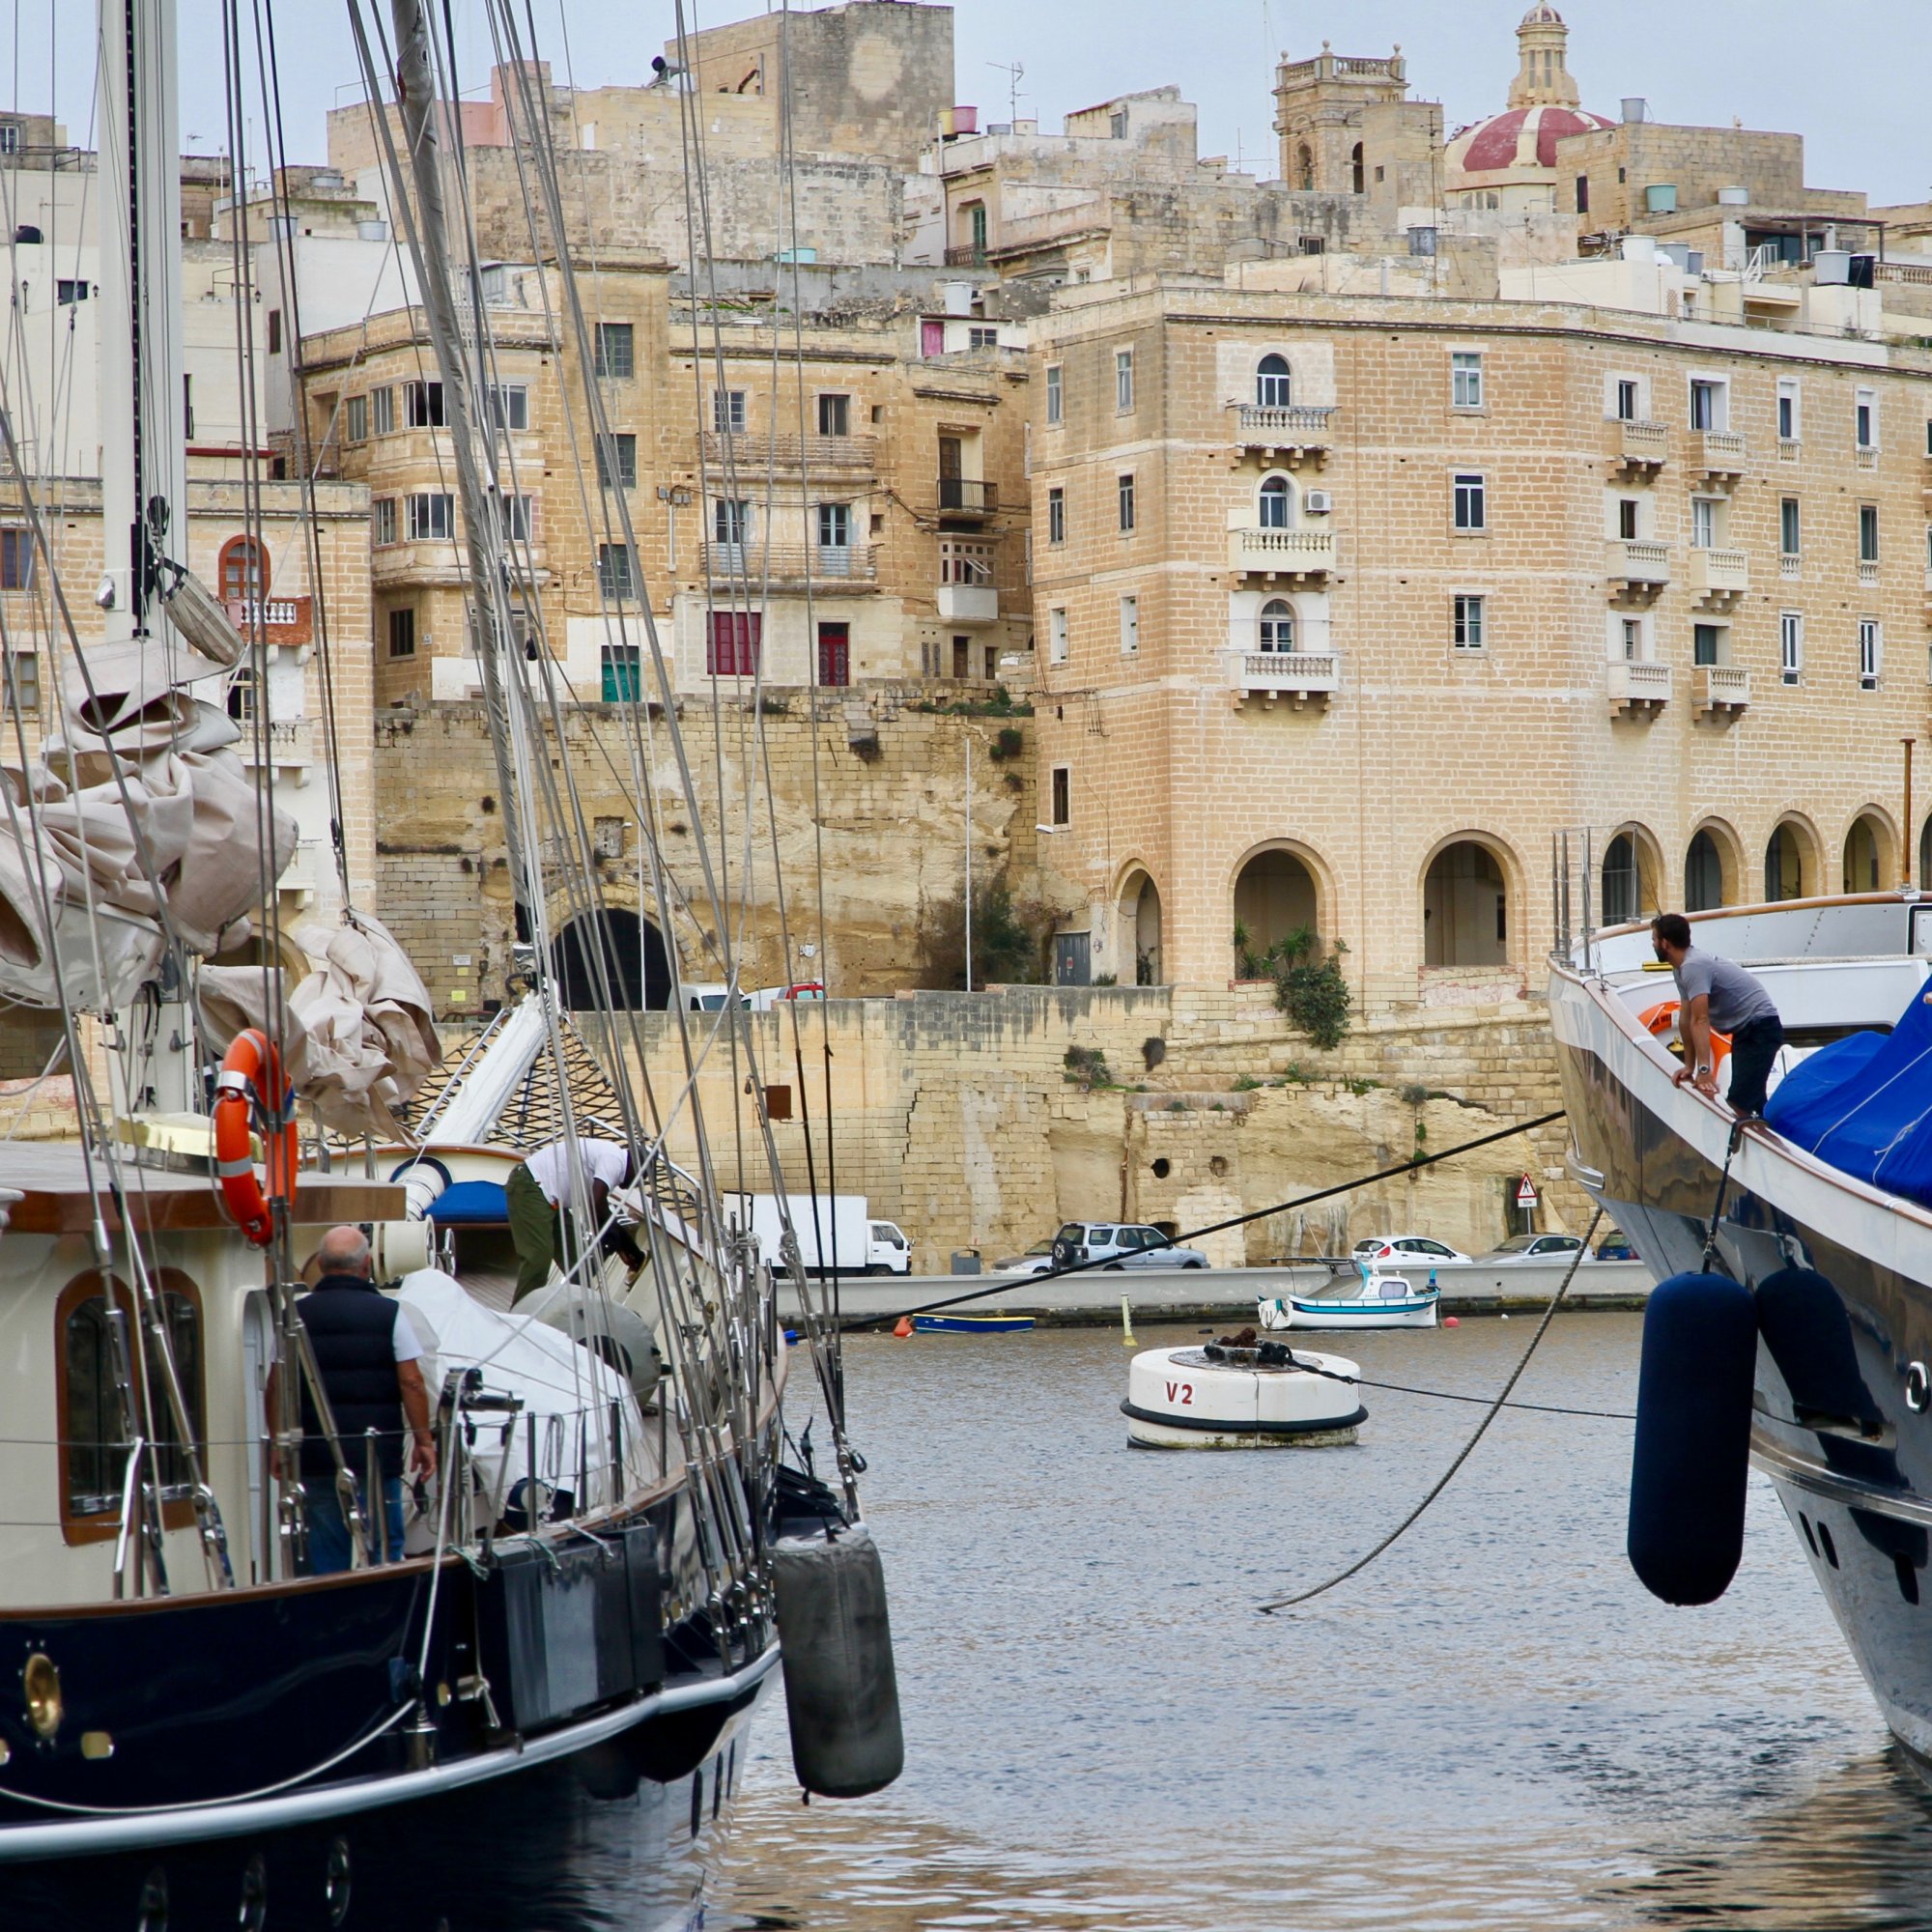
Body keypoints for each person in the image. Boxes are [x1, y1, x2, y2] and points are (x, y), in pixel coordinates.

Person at [265, 1225, 437, 1574]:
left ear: (323, 1266)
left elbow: (276, 1385)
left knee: (325, 1554)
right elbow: (412, 1382)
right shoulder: (390, 1314)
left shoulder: (295, 1317)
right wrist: (424, 1440)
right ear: (366, 1264)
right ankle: (385, 1614)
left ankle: (329, 1620)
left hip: (318, 1455)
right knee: (385, 1551)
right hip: (377, 1455)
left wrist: (278, 1443)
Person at [1650, 912, 1785, 1120]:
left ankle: (1736, 1148)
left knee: (1739, 1102)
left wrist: (1704, 1070)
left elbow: (1700, 1019)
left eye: (1654, 939)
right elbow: (1686, 1018)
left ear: (1665, 943)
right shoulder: (1680, 969)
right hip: (1746, 1030)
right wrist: (1689, 1066)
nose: (1652, 944)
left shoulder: (1693, 966)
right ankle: (1775, 1134)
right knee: (1754, 1097)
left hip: (1760, 1027)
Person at [507, 1135, 641, 1303]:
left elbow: (600, 1211)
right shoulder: (614, 1160)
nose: (636, 1184)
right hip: (531, 1186)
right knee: (538, 1257)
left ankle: (583, 1315)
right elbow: (595, 1203)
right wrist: (611, 1240)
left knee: (579, 1264)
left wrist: (624, 1247)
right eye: (640, 1178)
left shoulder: (613, 1160)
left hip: (554, 1199)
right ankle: (521, 1317)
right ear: (635, 1167)